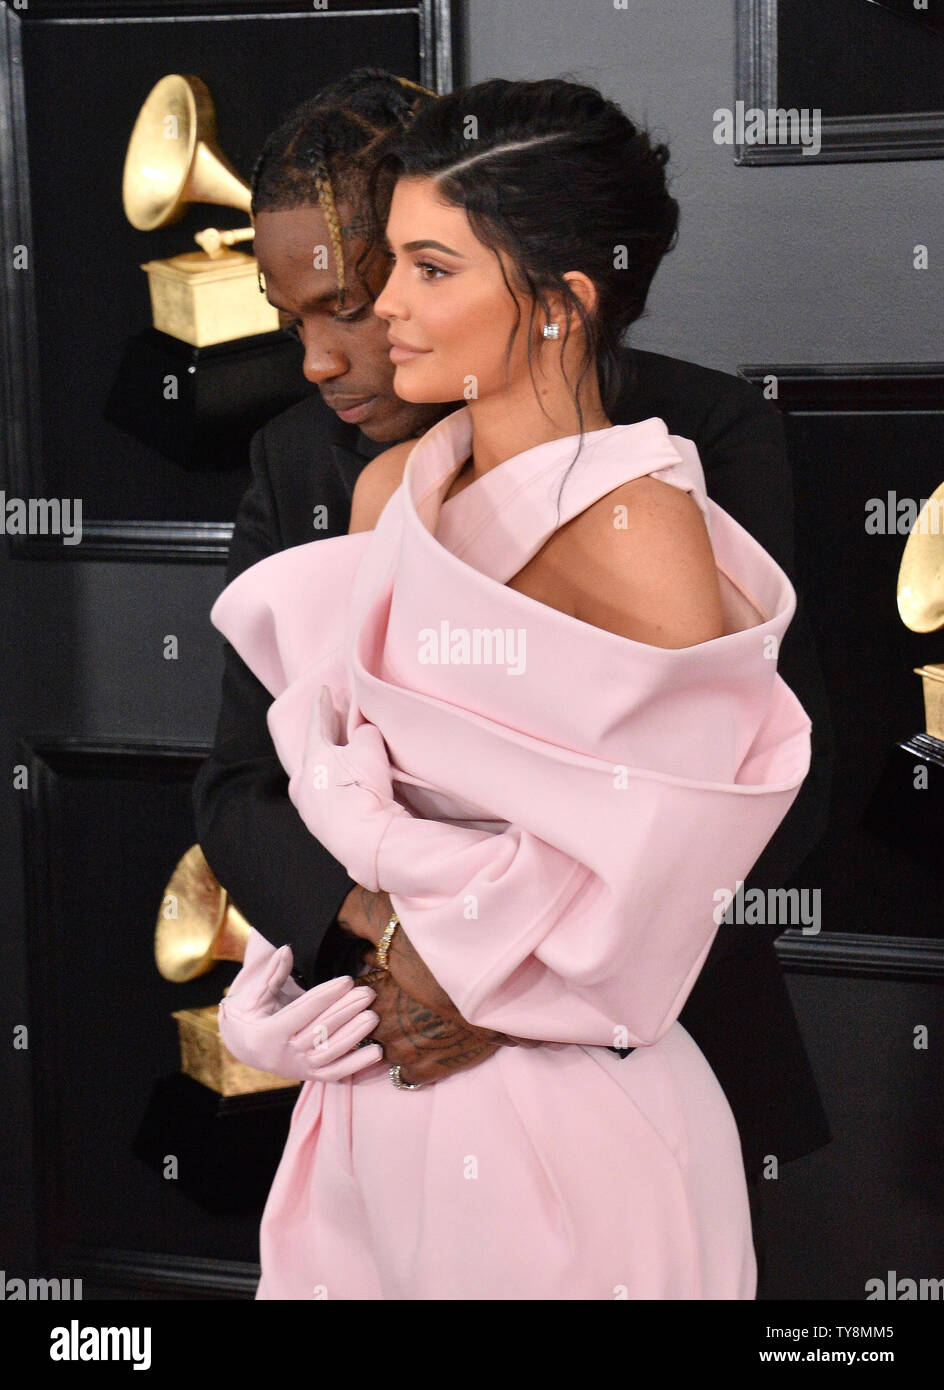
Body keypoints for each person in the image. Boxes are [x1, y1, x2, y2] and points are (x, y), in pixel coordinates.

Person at [193, 69, 832, 1293]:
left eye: (414, 273)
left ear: (552, 298)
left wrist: (500, 973)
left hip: (591, 1087)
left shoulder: (665, 487)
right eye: (369, 277)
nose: (360, 330)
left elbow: (715, 814)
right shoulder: (360, 481)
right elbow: (256, 781)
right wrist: (363, 966)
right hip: (378, 1088)